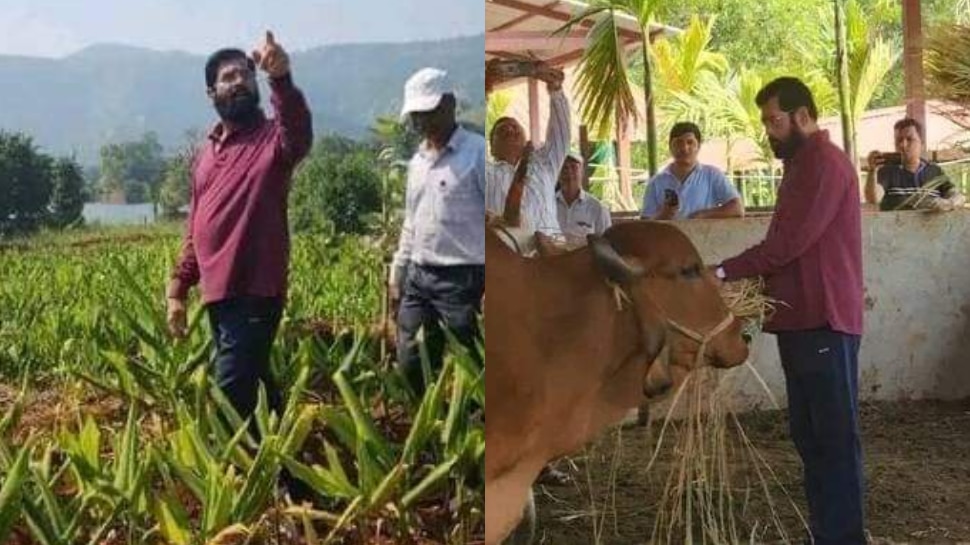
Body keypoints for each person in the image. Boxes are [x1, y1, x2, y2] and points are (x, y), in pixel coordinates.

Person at [713, 77, 866, 544]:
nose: (769, 132)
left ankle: (842, 537)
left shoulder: (823, 164)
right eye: (765, 123)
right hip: (803, 319)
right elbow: (787, 248)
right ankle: (829, 533)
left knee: (832, 439)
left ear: (802, 116)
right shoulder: (803, 164)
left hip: (824, 320)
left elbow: (785, 246)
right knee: (811, 437)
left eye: (774, 121)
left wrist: (721, 273)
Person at [166, 31, 312, 421]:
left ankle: (233, 476)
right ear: (211, 93)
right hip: (217, 294)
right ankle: (289, 472)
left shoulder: (273, 141)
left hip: (256, 289)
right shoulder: (206, 155)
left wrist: (281, 79)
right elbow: (196, 226)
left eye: (245, 73)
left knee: (230, 390)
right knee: (257, 385)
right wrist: (179, 288)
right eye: (227, 77)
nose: (239, 81)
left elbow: (297, 131)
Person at [390, 67, 485, 395]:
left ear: (449, 105)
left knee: (470, 366)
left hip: (463, 280)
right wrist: (398, 270)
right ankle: (422, 428)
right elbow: (411, 221)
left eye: (427, 113)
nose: (420, 122)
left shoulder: (477, 154)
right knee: (411, 360)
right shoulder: (417, 162)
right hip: (419, 276)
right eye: (415, 115)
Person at [485, 60, 569, 238]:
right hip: (510, 258)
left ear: (526, 139)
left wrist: (555, 90)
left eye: (515, 127)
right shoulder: (486, 173)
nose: (510, 129)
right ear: (491, 148)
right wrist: (484, 89)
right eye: (502, 130)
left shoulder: (544, 164)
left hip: (550, 253)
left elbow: (561, 135)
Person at [641, 122, 743, 220]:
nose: (684, 148)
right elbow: (644, 224)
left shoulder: (712, 175)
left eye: (690, 142)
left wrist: (703, 215)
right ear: (670, 147)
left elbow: (737, 209)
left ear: (698, 146)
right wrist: (664, 214)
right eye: (678, 142)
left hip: (704, 237)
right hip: (667, 237)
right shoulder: (656, 182)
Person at [864, 117, 965, 211]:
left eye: (909, 139)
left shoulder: (935, 171)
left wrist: (948, 203)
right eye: (899, 140)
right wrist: (872, 171)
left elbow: (958, 197)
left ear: (922, 144)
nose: (903, 145)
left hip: (930, 229)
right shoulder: (887, 171)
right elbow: (874, 199)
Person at [556, 151, 611, 245]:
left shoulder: (598, 209)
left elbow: (607, 245)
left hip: (585, 259)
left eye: (574, 167)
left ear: (582, 172)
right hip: (553, 259)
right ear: (557, 173)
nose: (569, 172)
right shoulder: (547, 206)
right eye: (564, 168)